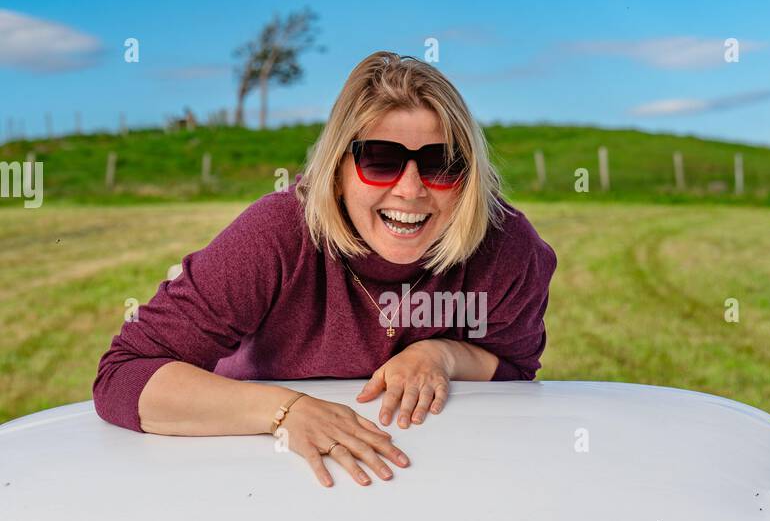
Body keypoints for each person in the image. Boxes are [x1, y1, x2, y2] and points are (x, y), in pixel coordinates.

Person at [94, 51, 557, 487]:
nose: (411, 190)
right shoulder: (277, 234)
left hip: (423, 474)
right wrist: (285, 411)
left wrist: (441, 355)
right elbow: (123, 375)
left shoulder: (506, 247)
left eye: (443, 164)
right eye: (381, 160)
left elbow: (515, 369)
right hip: (257, 467)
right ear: (336, 170)